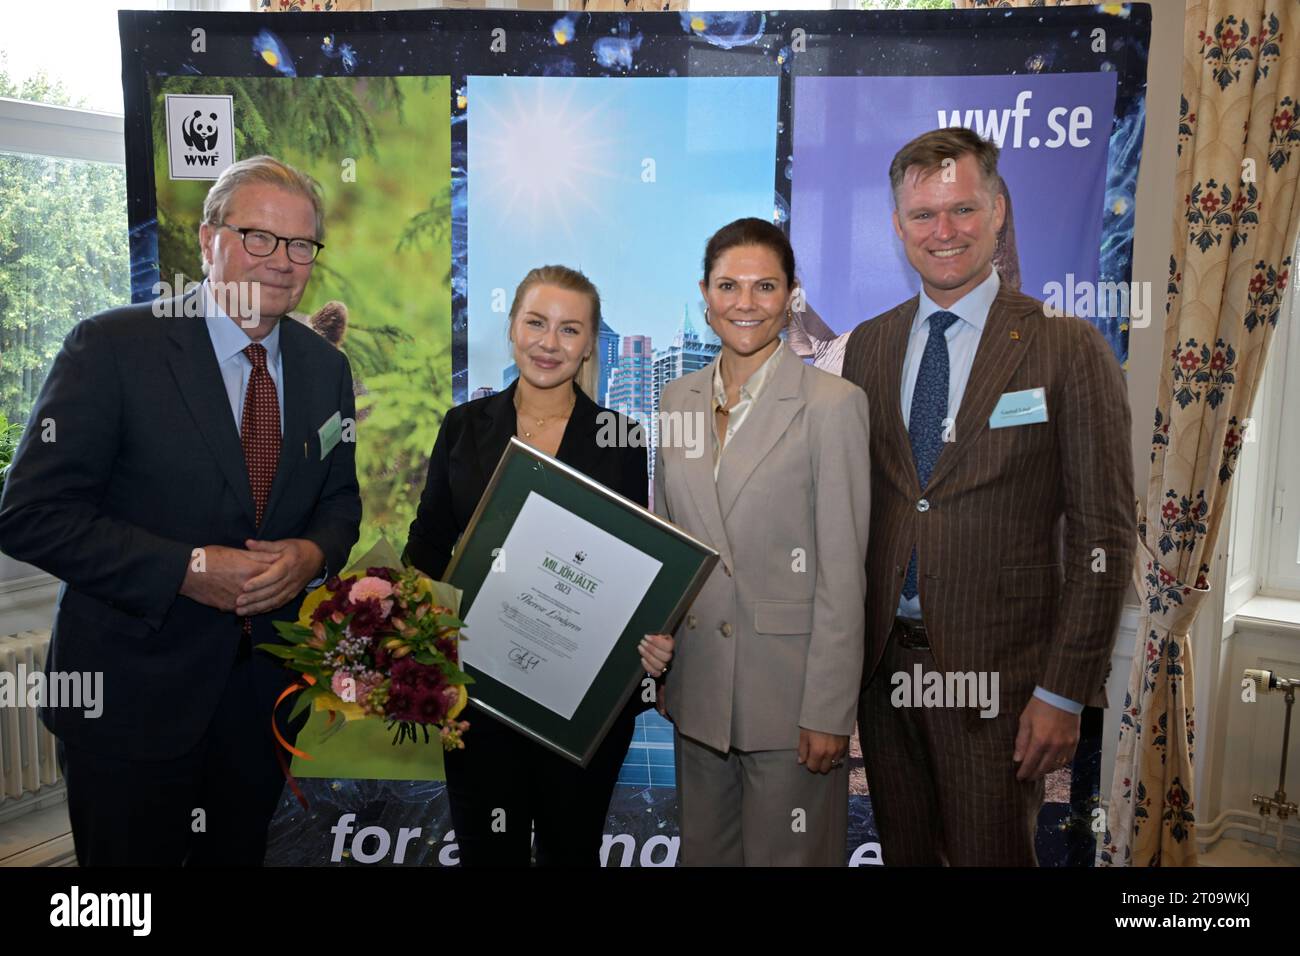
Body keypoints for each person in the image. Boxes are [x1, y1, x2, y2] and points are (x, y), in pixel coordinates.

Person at [0, 155, 362, 865]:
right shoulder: (112, 348)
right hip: (131, 707)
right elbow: (29, 512)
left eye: (300, 245)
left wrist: (313, 555)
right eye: (259, 237)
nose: (282, 261)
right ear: (208, 240)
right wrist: (184, 569)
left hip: (262, 705)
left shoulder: (325, 369)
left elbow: (340, 501)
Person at [840, 127, 1133, 866]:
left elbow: (1105, 533)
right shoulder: (868, 347)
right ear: (898, 227)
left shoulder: (1067, 347)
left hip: (1000, 687)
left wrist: (1064, 693)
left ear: (998, 210)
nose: (944, 232)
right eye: (923, 215)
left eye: (963, 209)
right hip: (885, 677)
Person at [404, 265, 670, 866]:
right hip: (479, 693)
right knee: (487, 854)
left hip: (578, 702)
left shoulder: (619, 437)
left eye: (570, 329)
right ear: (512, 328)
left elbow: (632, 566)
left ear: (589, 344)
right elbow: (426, 549)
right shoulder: (464, 427)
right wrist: (424, 637)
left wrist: (653, 635)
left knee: (570, 854)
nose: (550, 343)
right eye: (537, 323)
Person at [650, 218, 871, 866]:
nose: (745, 302)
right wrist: (667, 661)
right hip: (699, 694)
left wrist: (830, 711)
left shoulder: (833, 406)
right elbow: (673, 544)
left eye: (764, 286)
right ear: (705, 295)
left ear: (791, 297)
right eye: (729, 286)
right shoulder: (676, 401)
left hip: (792, 702)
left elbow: (842, 573)